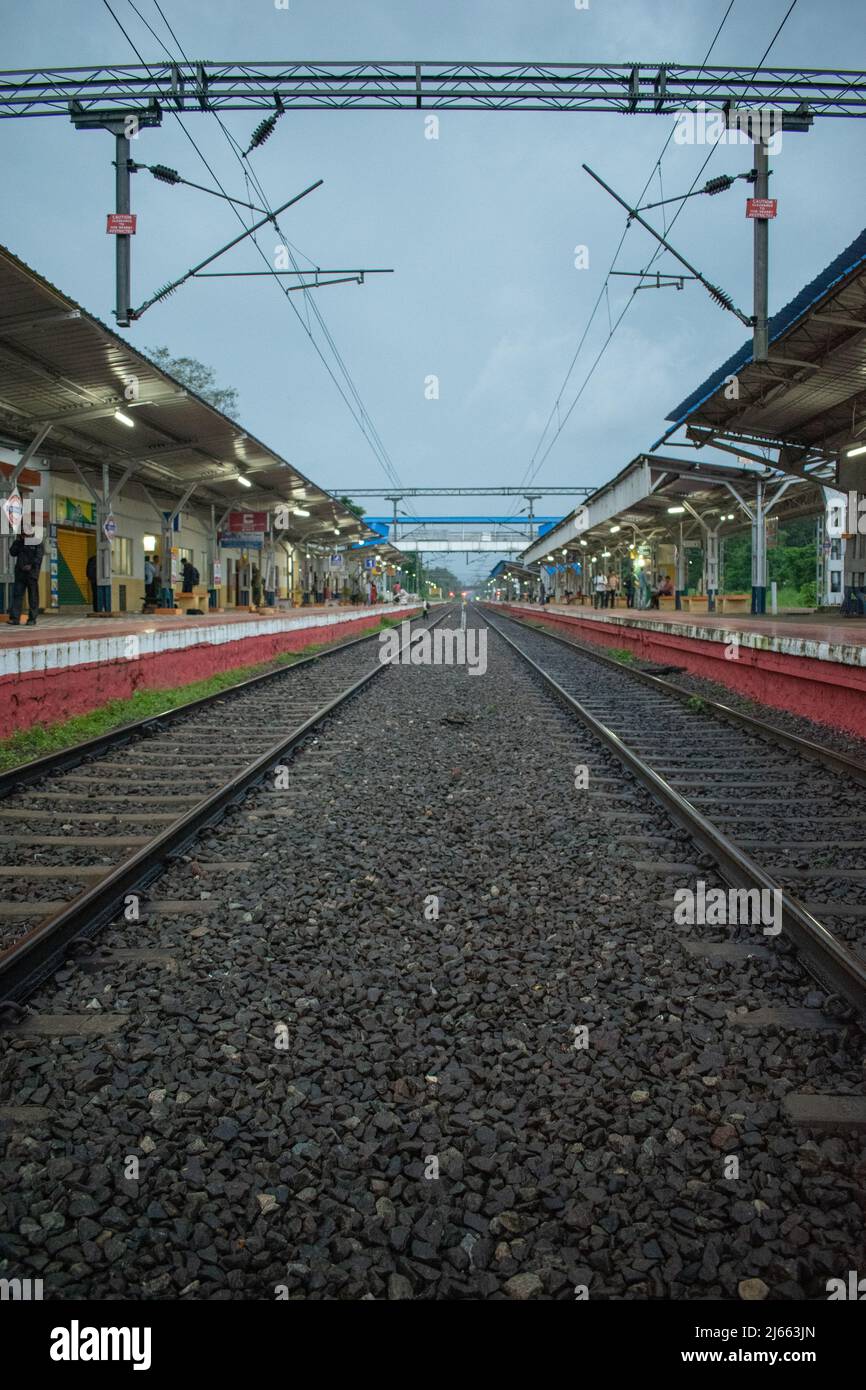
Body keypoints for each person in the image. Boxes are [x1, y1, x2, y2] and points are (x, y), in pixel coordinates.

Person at [9, 531, 44, 626]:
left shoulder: (37, 542)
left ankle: (32, 619)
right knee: (17, 596)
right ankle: (15, 619)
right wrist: (17, 541)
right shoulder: (19, 542)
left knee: (33, 597)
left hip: (32, 574)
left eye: (26, 534)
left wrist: (31, 565)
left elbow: (39, 557)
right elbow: (12, 552)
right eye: (23, 534)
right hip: (20, 574)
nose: (24, 536)